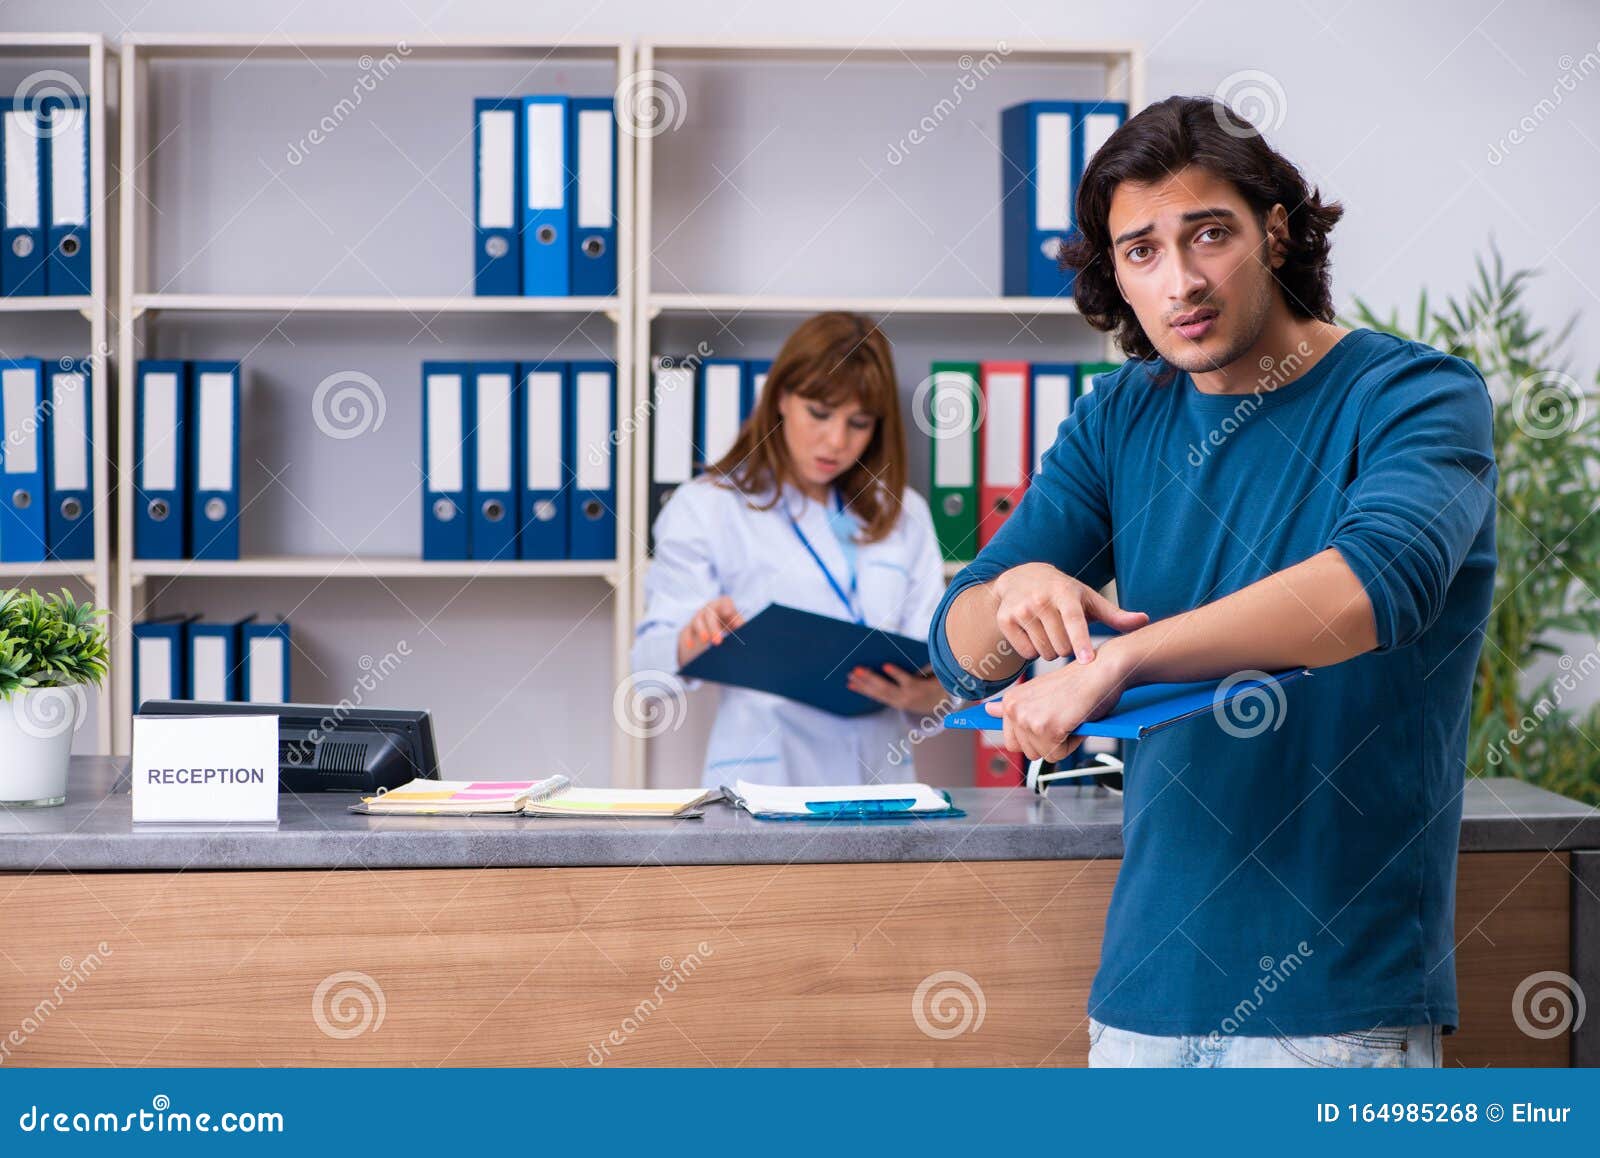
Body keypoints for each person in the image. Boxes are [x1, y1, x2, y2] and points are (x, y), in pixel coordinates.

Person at [930, 96, 1496, 1068]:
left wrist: (1119, 661)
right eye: (1141, 251)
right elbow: (957, 652)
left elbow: (1373, 584)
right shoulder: (1118, 416)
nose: (1180, 281)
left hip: (1337, 1009)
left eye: (1208, 235)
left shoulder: (1414, 395)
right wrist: (1017, 586)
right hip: (1143, 1000)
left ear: (1274, 232)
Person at [634, 311, 949, 787]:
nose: (836, 441)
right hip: (764, 778)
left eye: (858, 423)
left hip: (882, 781)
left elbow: (942, 663)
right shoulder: (707, 506)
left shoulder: (906, 514)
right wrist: (691, 640)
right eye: (819, 414)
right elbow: (646, 665)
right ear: (780, 396)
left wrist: (926, 697)